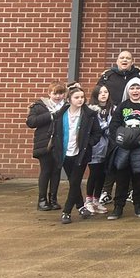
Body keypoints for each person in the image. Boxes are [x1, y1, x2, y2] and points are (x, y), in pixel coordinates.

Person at [107, 76, 140, 220]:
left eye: (138, 88)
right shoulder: (122, 106)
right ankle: (118, 207)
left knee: (139, 176)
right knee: (121, 177)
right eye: (132, 88)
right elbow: (114, 125)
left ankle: (139, 206)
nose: (135, 91)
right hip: (124, 147)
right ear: (128, 90)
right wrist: (120, 138)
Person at [54, 85, 103, 223]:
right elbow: (55, 132)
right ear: (69, 99)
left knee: (75, 182)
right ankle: (81, 206)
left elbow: (97, 133)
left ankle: (66, 212)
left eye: (82, 97)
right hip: (64, 153)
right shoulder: (60, 114)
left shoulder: (89, 114)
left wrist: (88, 143)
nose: (80, 100)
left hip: (81, 153)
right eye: (76, 97)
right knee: (73, 182)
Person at [27, 81, 68, 211]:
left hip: (60, 143)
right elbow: (31, 122)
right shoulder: (39, 106)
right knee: (46, 171)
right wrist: (50, 115)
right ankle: (42, 200)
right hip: (44, 143)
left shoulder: (67, 106)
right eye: (55, 93)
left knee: (56, 171)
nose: (58, 96)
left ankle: (53, 199)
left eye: (60, 93)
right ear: (49, 93)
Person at [85, 84, 113, 214]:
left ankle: (97, 200)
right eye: (100, 92)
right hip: (95, 147)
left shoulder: (113, 109)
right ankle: (88, 201)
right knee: (94, 174)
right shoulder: (90, 110)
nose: (103, 94)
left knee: (103, 174)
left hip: (108, 146)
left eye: (106, 92)